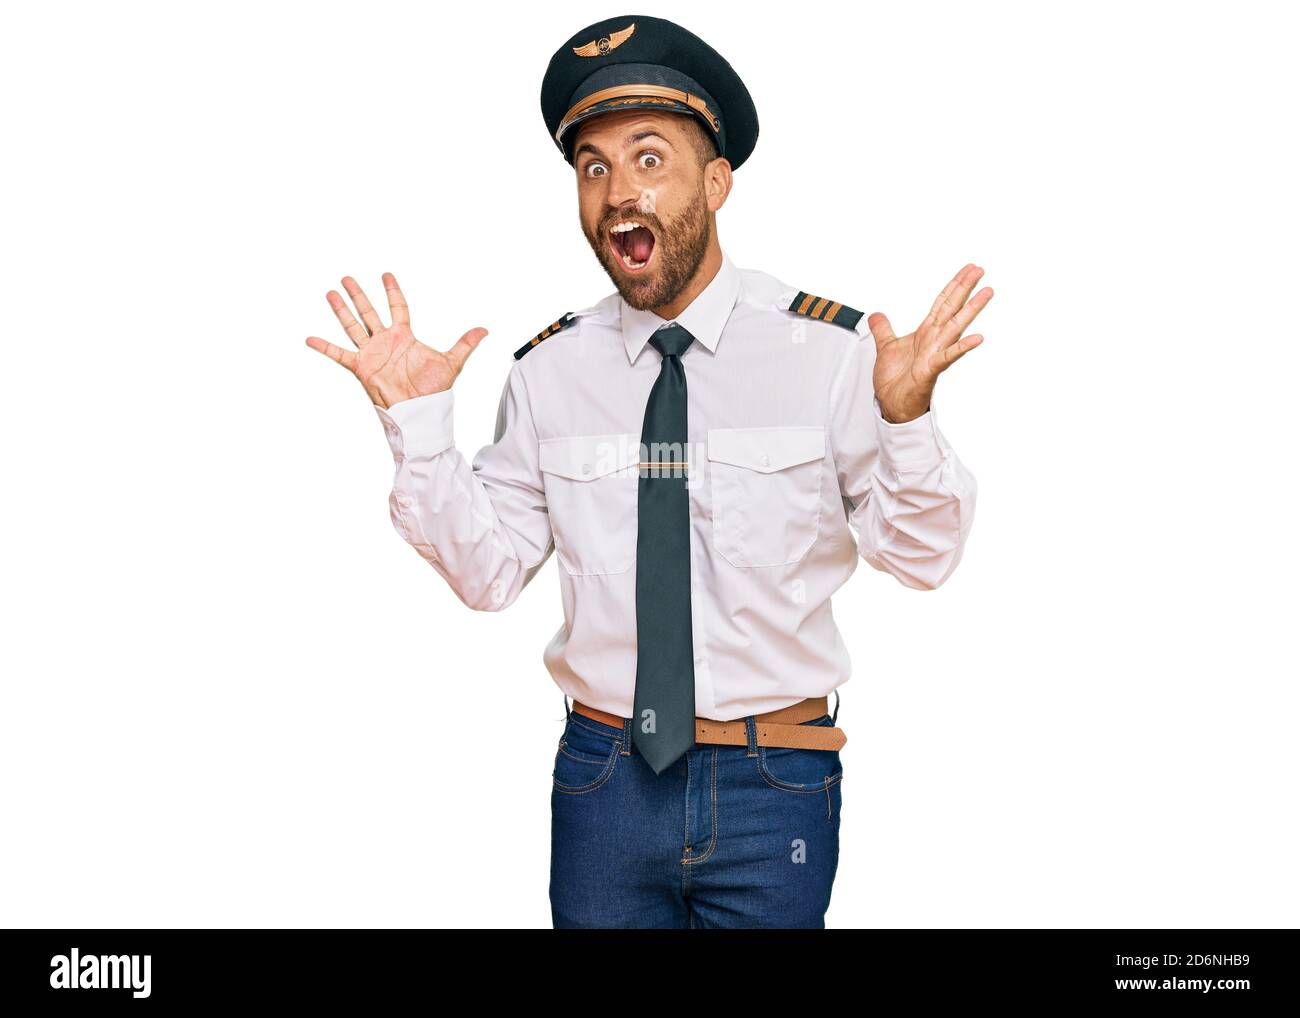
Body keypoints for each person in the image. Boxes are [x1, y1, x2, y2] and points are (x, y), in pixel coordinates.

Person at [305, 14, 989, 928]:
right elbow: (488, 572)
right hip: (604, 782)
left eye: (649, 159)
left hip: (774, 778)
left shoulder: (829, 351)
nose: (619, 192)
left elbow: (924, 557)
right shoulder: (549, 371)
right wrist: (419, 429)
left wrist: (905, 419)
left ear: (716, 181)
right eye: (594, 169)